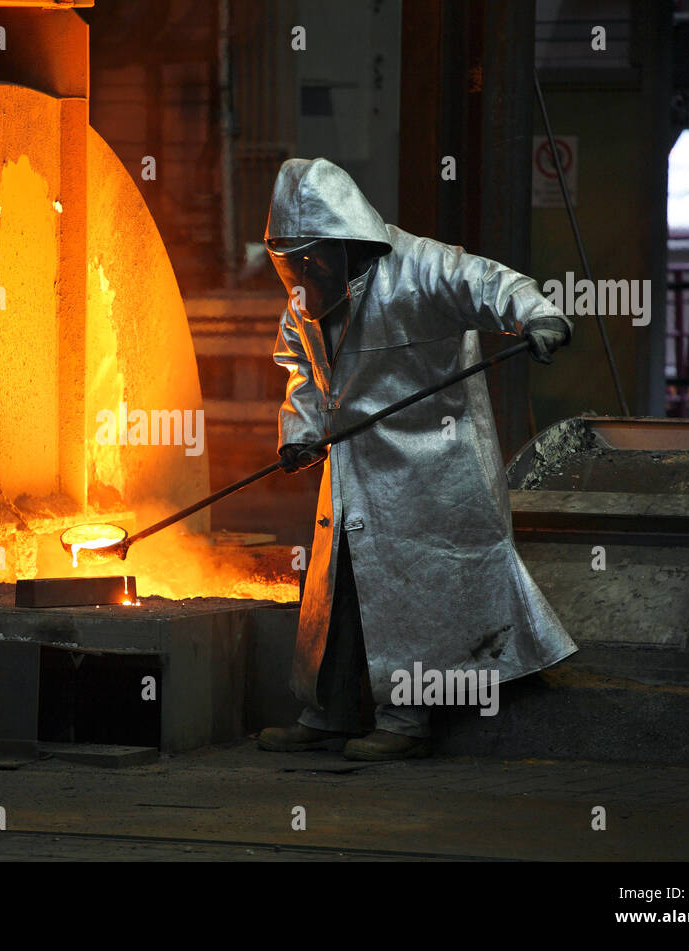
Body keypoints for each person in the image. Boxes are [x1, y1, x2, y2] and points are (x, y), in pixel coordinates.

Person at [257, 158, 578, 762]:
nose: (303, 272)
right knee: (342, 595)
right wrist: (299, 433)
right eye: (293, 260)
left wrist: (537, 316)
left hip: (432, 472)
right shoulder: (306, 299)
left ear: (347, 238)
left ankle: (406, 721)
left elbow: (492, 284)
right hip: (353, 474)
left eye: (313, 256)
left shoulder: (424, 268)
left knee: (412, 594)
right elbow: (304, 373)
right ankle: (326, 713)